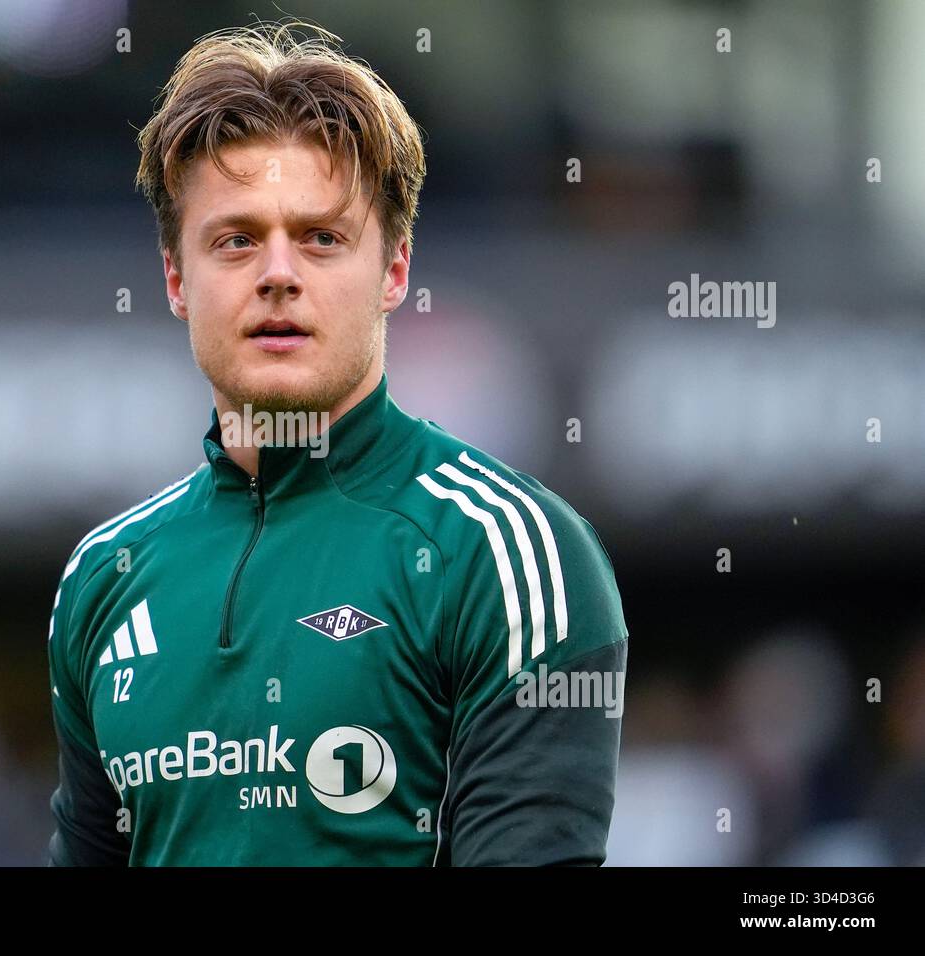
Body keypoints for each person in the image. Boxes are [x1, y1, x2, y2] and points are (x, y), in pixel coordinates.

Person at [47, 20, 628, 866]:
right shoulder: (104, 576)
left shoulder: (502, 551)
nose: (278, 273)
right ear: (177, 279)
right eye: (236, 240)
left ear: (395, 268)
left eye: (322, 237)